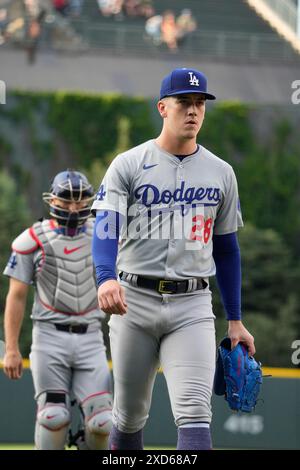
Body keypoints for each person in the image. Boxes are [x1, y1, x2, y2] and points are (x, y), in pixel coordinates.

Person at [91, 67, 256, 450]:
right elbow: (105, 229)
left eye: (200, 103)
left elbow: (228, 250)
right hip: (134, 301)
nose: (193, 110)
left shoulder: (221, 172)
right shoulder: (129, 164)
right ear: (163, 107)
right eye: (184, 102)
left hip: (192, 305)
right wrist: (105, 278)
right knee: (129, 418)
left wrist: (235, 320)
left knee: (196, 416)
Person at [3, 170, 112, 450]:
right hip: (49, 336)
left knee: (103, 421)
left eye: (79, 201)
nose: (74, 207)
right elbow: (16, 296)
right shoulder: (32, 239)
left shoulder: (103, 235)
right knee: (53, 416)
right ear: (53, 200)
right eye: (67, 201)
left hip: (90, 336)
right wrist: (12, 348)